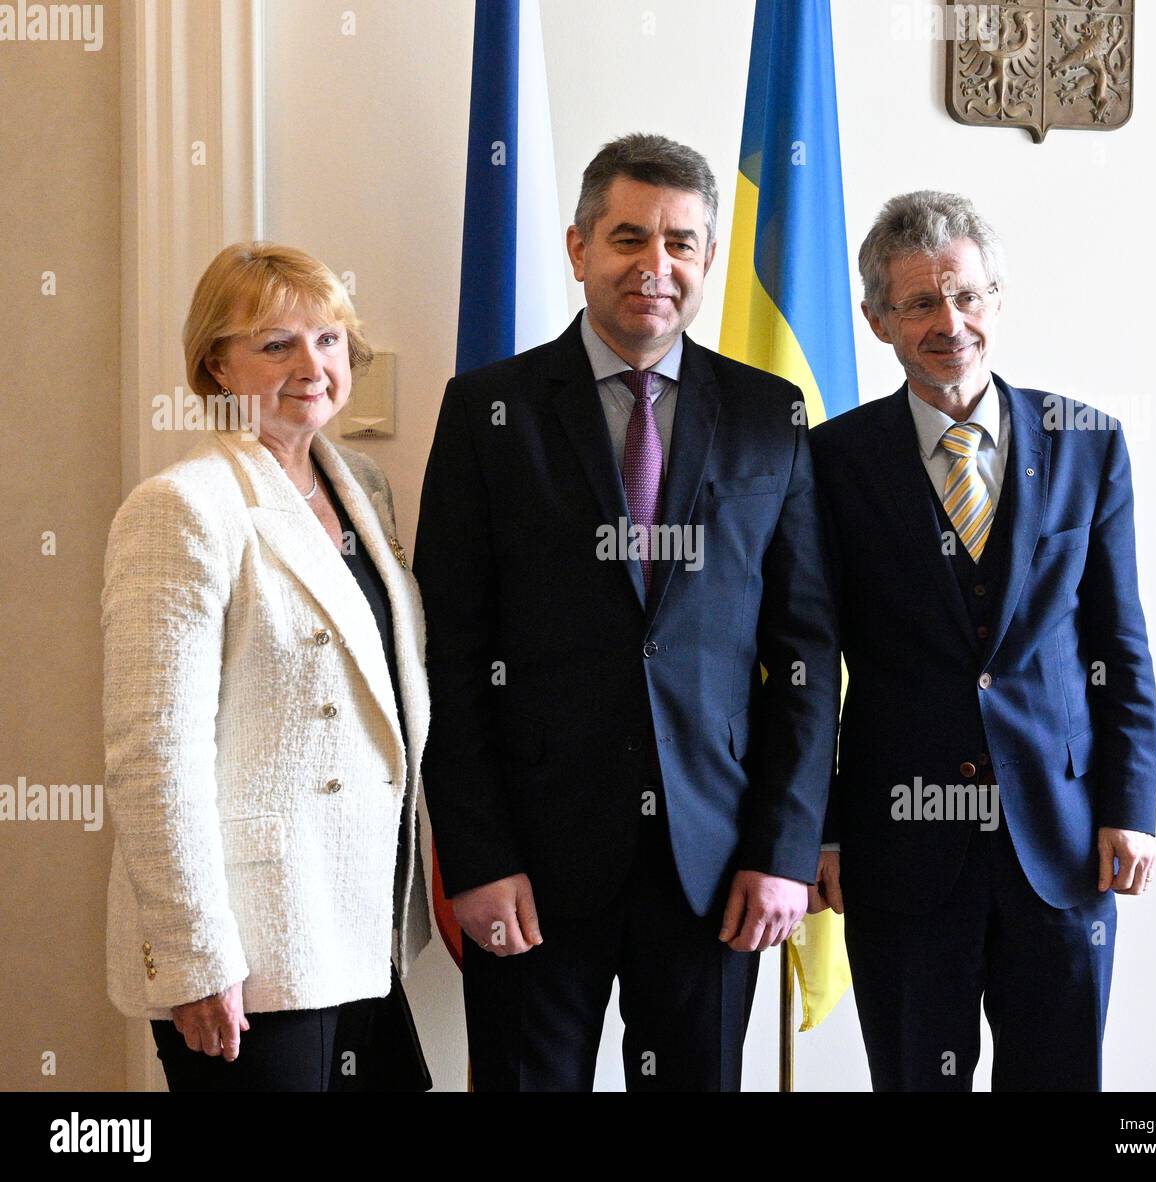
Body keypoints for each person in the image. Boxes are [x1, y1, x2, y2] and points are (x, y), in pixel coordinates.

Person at [415, 133, 840, 1091]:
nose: (656, 266)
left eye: (682, 243)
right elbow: (450, 652)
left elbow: (805, 655)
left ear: (708, 260)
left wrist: (783, 851)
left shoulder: (771, 415)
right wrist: (476, 856)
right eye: (628, 237)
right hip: (532, 862)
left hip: (717, 866)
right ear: (577, 250)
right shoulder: (490, 410)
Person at [808, 191, 1156, 1091]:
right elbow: (807, 664)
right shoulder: (829, 462)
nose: (948, 323)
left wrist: (1132, 805)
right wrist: (827, 832)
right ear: (877, 319)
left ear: (997, 300)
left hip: (1064, 841)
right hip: (901, 850)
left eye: (966, 296)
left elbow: (1119, 644)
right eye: (919, 303)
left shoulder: (1088, 443)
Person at [102, 243, 432, 1091]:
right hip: (252, 945)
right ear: (217, 364)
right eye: (276, 344)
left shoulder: (360, 485)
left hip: (360, 926)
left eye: (328, 339)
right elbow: (152, 754)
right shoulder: (182, 506)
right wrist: (193, 958)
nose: (312, 365)